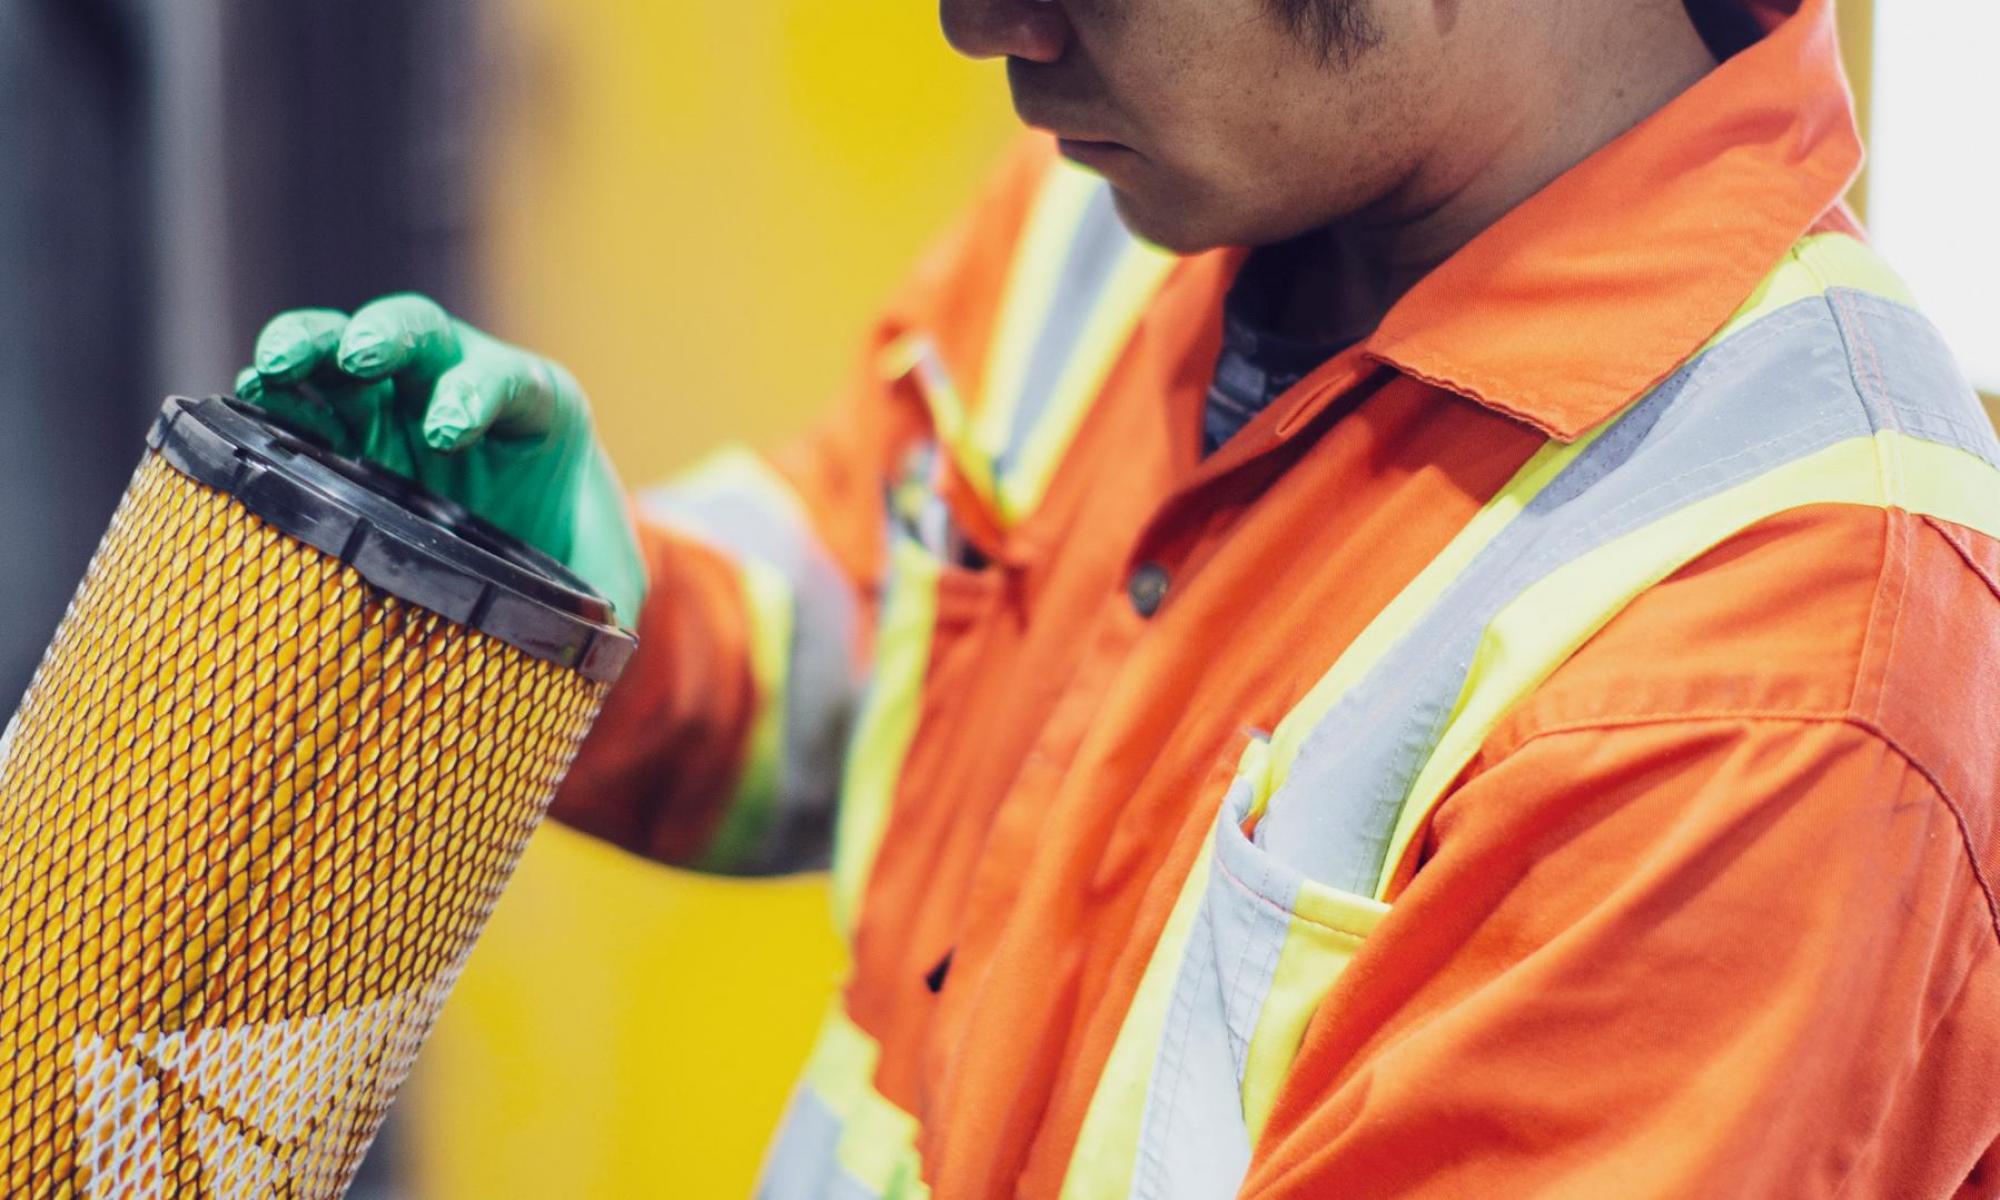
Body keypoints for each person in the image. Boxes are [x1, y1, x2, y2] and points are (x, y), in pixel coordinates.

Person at [235, 0, 2000, 1193]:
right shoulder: (1139, 212)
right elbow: (884, 639)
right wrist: (580, 606)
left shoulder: (1770, 660)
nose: (982, 23)